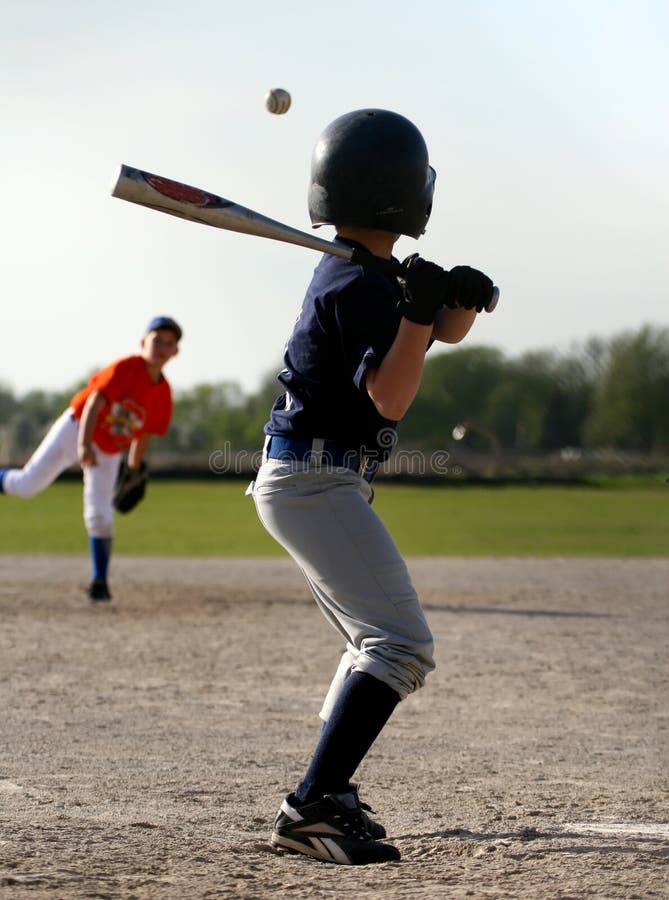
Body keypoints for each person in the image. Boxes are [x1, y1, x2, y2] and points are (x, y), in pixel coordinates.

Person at [249, 109, 497, 865]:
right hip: (315, 478)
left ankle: (329, 791)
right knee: (400, 646)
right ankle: (312, 807)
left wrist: (451, 302)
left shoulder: (363, 275)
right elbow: (390, 397)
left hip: (312, 478)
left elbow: (431, 335)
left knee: (372, 641)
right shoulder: (357, 284)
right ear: (405, 190)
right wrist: (419, 312)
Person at [0, 316, 182, 602]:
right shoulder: (126, 368)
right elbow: (96, 402)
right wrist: (84, 445)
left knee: (100, 514)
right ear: (143, 342)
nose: (161, 347)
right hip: (76, 429)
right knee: (26, 485)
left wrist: (133, 468)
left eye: (169, 343)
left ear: (175, 352)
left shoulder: (163, 394)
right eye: (157, 339)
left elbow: (144, 434)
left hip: (109, 449)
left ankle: (100, 583)